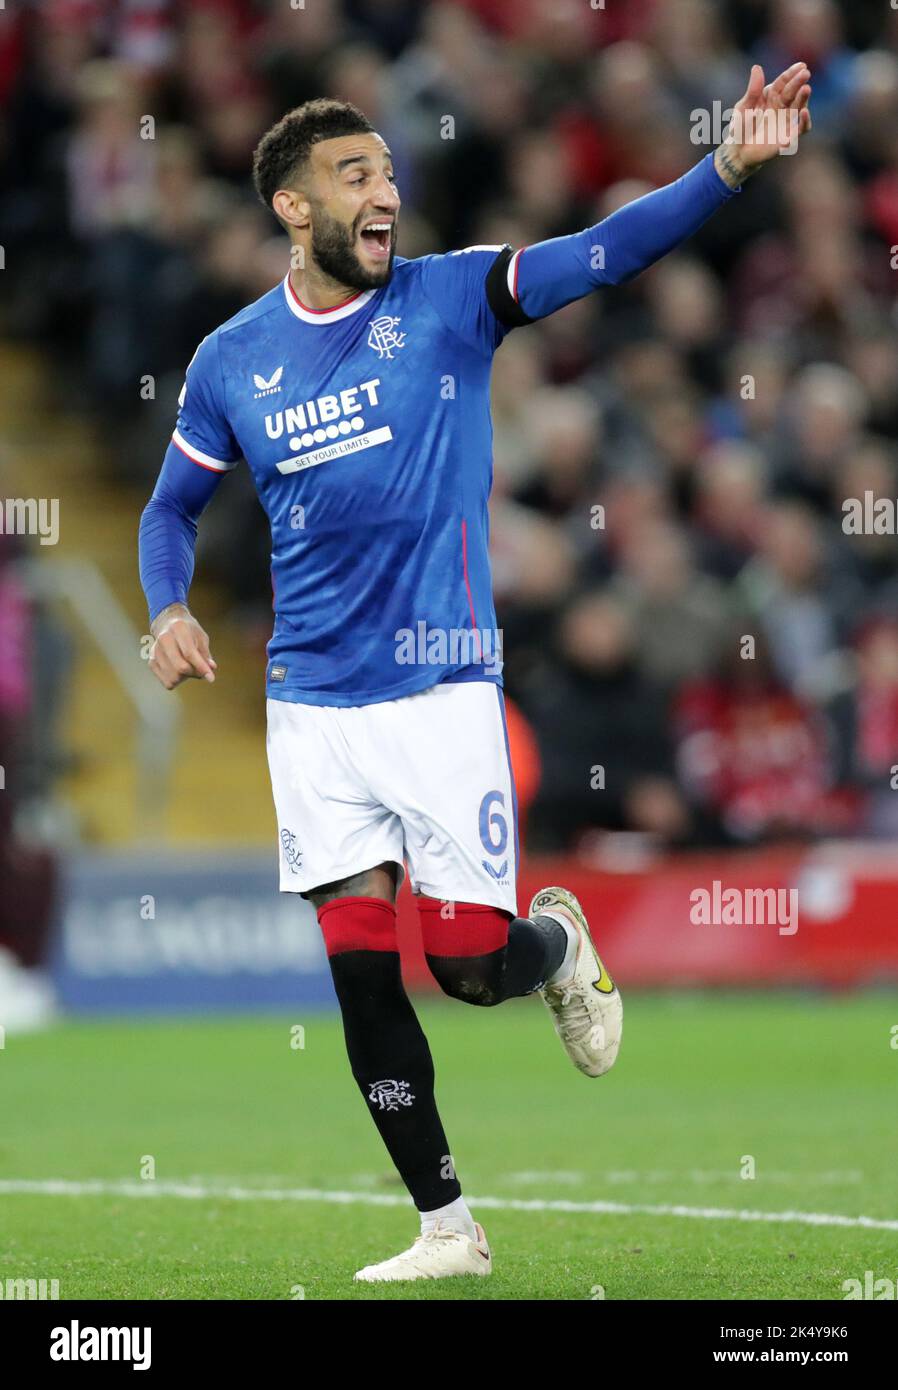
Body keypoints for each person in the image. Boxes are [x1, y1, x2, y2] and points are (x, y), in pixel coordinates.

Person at [138, 64, 812, 1282]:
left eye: (389, 169)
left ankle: (552, 946)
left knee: (464, 966)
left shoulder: (451, 301)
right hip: (310, 707)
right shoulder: (233, 359)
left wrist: (725, 168)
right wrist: (167, 604)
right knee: (357, 975)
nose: (384, 190)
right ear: (294, 209)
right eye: (355, 176)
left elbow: (602, 253)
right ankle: (445, 1225)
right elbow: (170, 505)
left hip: (443, 691)